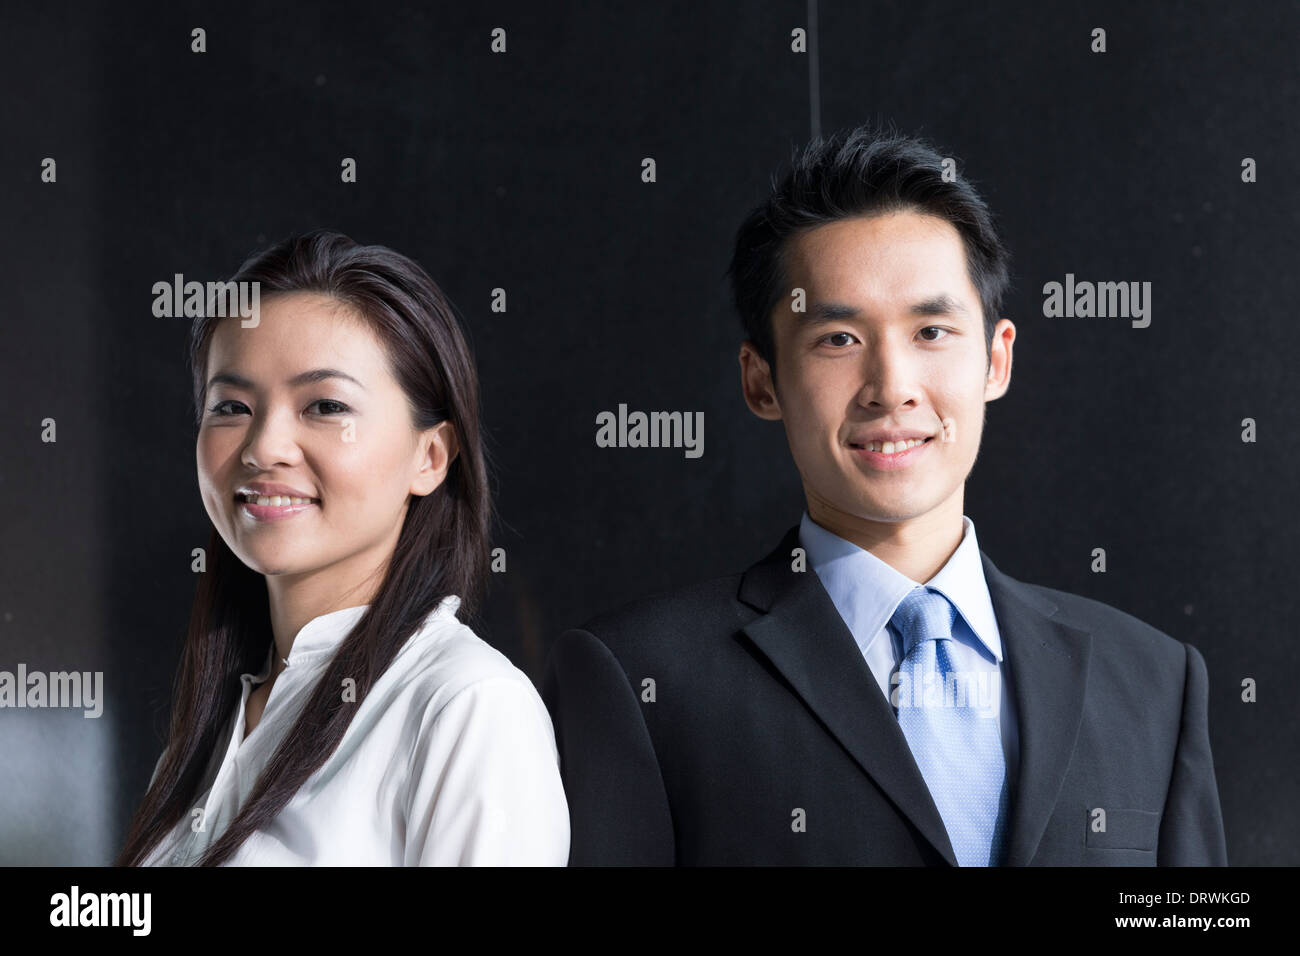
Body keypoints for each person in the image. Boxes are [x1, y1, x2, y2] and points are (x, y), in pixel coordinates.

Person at [542, 125, 1227, 866]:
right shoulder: (644, 680)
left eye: (932, 330)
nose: (892, 387)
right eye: (838, 339)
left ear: (996, 360)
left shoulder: (1154, 680)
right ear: (761, 380)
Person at [117, 230, 568, 866]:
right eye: (232, 406)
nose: (265, 447)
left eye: (324, 405)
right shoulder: (206, 738)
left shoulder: (466, 708)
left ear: (430, 455)